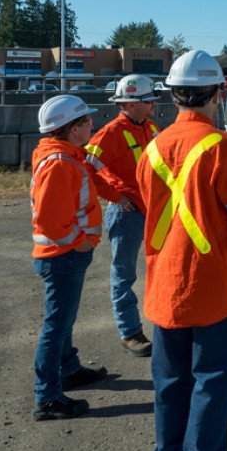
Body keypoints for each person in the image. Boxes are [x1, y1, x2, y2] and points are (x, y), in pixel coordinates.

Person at [135, 49, 227, 451]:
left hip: (165, 288)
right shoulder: (223, 147)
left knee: (171, 387)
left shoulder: (151, 148)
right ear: (219, 92)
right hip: (216, 290)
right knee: (212, 383)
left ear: (172, 96)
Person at [30, 94, 109, 421]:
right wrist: (78, 242)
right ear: (71, 128)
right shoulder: (60, 163)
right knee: (56, 325)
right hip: (63, 255)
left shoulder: (66, 155)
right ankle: (47, 397)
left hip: (64, 254)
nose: (92, 124)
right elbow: (49, 218)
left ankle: (69, 369)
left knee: (63, 322)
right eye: (86, 121)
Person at [84, 73, 161, 357]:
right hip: (127, 213)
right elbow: (86, 170)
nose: (153, 103)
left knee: (163, 266)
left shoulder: (151, 126)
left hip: (153, 208)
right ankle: (130, 332)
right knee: (124, 273)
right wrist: (115, 196)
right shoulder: (110, 134)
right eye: (147, 99)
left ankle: (167, 323)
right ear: (129, 104)